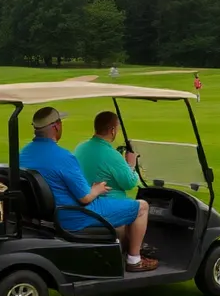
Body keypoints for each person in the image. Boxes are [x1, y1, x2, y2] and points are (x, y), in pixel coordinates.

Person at [22, 106, 158, 272]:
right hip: (75, 215)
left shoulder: (23, 154)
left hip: (47, 213)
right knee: (142, 207)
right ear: (56, 126)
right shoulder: (63, 157)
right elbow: (85, 198)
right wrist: (97, 189)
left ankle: (120, 252)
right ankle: (134, 260)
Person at [74, 111, 161, 268]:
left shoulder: (81, 147)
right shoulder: (111, 155)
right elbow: (129, 182)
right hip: (104, 205)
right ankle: (134, 259)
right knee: (142, 207)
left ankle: (133, 249)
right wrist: (131, 164)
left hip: (86, 203)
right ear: (113, 130)